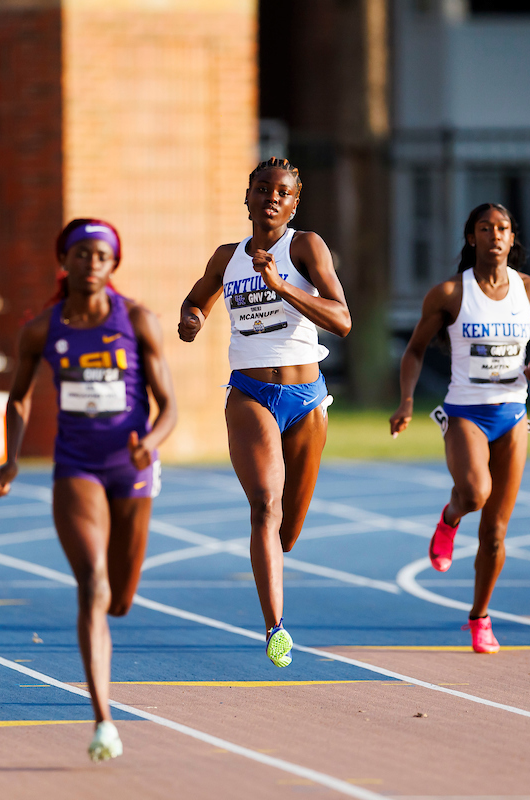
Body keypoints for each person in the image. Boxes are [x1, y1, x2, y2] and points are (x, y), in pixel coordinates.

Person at [0, 219, 176, 761]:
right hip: (76, 468)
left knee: (119, 598)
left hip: (132, 467)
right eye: (81, 254)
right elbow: (18, 398)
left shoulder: (136, 320)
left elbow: (169, 405)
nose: (92, 264)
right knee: (91, 586)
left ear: (113, 264)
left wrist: (152, 442)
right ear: (63, 262)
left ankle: (112, 618)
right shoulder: (41, 329)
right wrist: (11, 459)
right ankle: (103, 719)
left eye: (101, 256)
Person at [178, 157, 350, 668]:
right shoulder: (226, 257)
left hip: (306, 399)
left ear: (295, 203)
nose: (272, 198)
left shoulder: (305, 247)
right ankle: (276, 627)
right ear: (247, 197)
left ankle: (276, 563)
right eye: (263, 189)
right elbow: (195, 302)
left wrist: (282, 287)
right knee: (264, 507)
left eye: (283, 192)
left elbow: (342, 319)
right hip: (250, 395)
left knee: (288, 531)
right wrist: (191, 319)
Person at [390, 203, 530, 654]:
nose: (495, 236)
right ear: (471, 238)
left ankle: (480, 617)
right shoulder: (450, 294)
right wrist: (407, 400)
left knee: (496, 532)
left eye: (502, 228)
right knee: (474, 494)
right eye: (485, 228)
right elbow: (413, 351)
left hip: (513, 415)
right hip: (466, 411)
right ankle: (449, 518)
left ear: (512, 238)